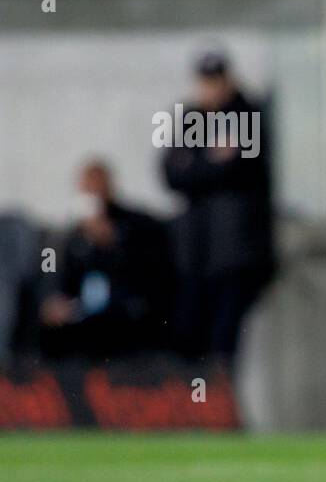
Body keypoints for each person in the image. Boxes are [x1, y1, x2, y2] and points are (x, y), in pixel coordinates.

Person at [162, 50, 275, 364]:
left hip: (236, 250)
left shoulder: (246, 114)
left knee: (225, 338)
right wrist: (210, 161)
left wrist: (197, 166)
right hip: (198, 250)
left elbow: (239, 167)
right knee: (192, 330)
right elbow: (171, 172)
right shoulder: (191, 117)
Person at [39, 160, 171, 358]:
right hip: (83, 310)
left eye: (96, 186)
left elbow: (145, 275)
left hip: (123, 310)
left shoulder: (136, 225)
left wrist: (111, 243)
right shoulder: (74, 235)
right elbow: (62, 277)